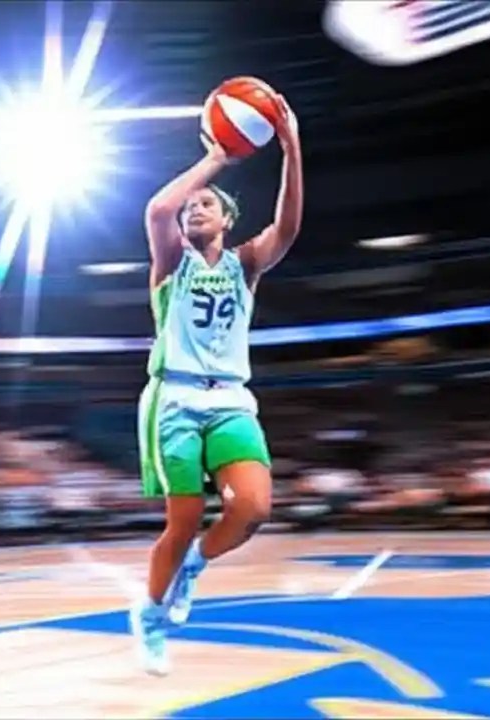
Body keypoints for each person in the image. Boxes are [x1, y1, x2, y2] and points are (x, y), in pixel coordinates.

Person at [132, 94, 303, 675]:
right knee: (181, 522)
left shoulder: (245, 263)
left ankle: (195, 568)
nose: (193, 210)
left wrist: (290, 146)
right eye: (191, 208)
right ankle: (151, 617)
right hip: (174, 397)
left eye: (206, 205)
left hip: (229, 397)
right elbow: (158, 209)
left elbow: (289, 225)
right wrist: (217, 159)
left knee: (252, 507)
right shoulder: (171, 265)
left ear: (227, 220)